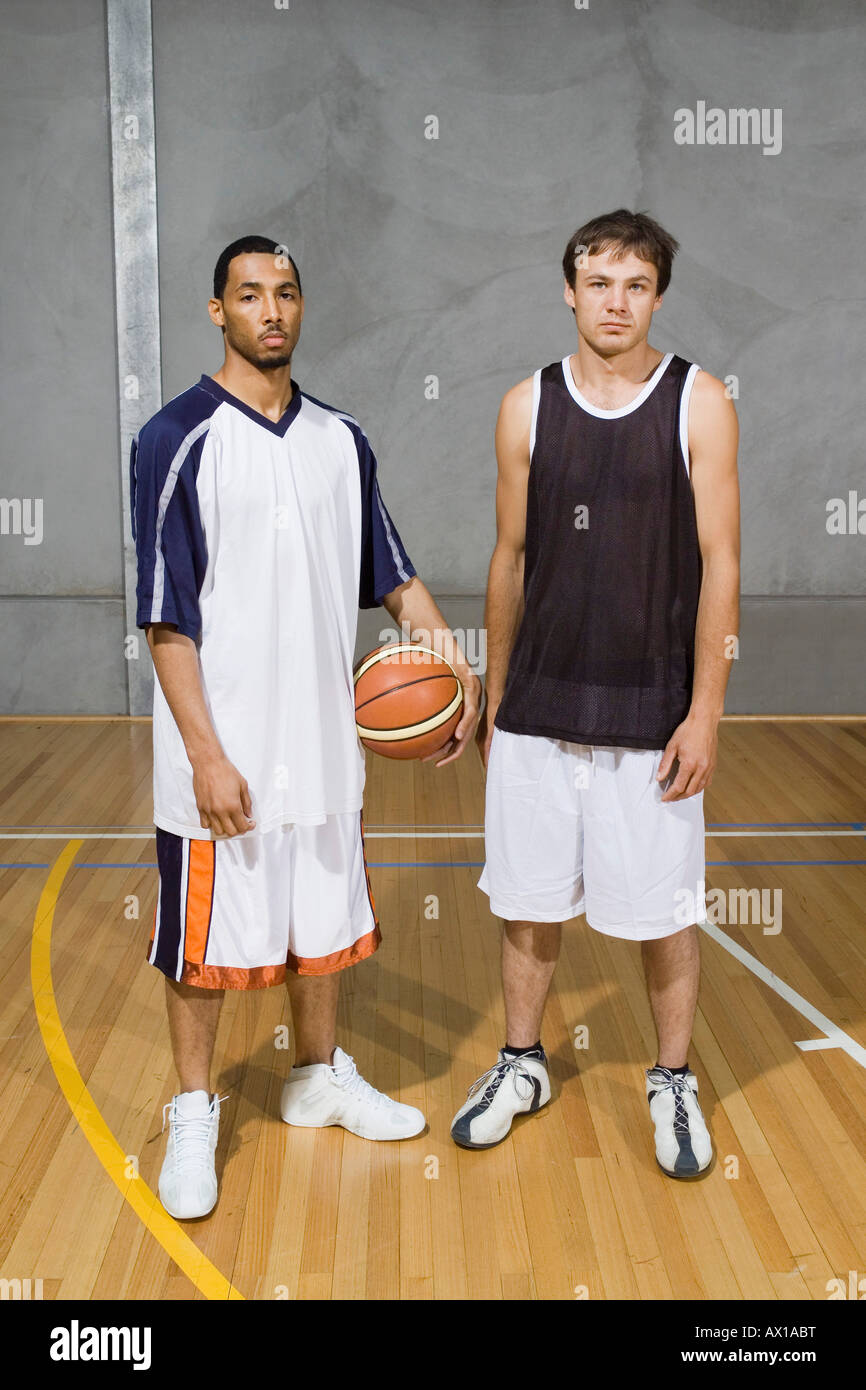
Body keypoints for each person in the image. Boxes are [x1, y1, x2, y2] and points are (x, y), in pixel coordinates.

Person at [131, 235, 482, 1219]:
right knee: (202, 946)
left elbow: (396, 580)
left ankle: (316, 1076)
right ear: (218, 312)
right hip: (223, 755)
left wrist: (456, 674)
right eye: (249, 295)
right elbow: (164, 615)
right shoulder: (175, 438)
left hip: (326, 750)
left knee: (323, 927)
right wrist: (204, 752)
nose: (270, 310)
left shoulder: (341, 440)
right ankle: (194, 1109)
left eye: (285, 292)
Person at [453, 209, 740, 1178]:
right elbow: (507, 557)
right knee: (527, 907)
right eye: (598, 282)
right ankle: (522, 1060)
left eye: (634, 284)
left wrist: (702, 711)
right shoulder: (521, 406)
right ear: (568, 291)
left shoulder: (697, 401)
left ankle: (668, 1078)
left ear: (655, 295)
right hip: (537, 708)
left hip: (649, 712)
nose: (615, 301)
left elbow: (720, 562)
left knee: (661, 917)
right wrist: (495, 689)